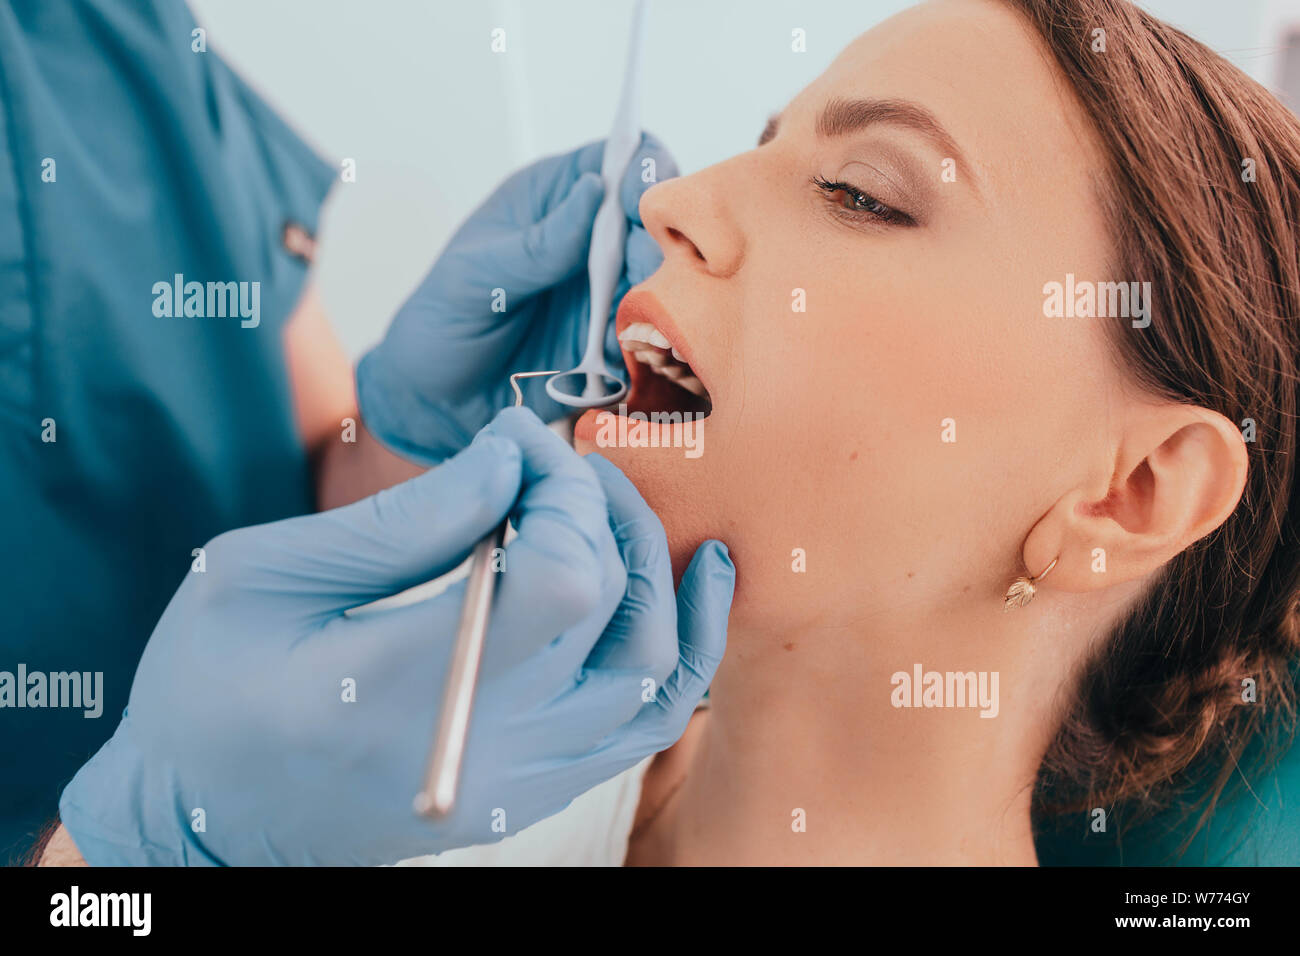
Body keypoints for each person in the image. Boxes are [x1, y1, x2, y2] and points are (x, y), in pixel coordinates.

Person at [404, 0, 1300, 866]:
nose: (670, 203)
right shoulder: (424, 763)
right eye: (764, 145)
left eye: (860, 194)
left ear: (1133, 491)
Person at [6, 0, 734, 866]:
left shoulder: (96, 26)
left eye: (861, 196)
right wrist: (124, 857)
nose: (681, 205)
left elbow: (310, 463)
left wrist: (403, 440)